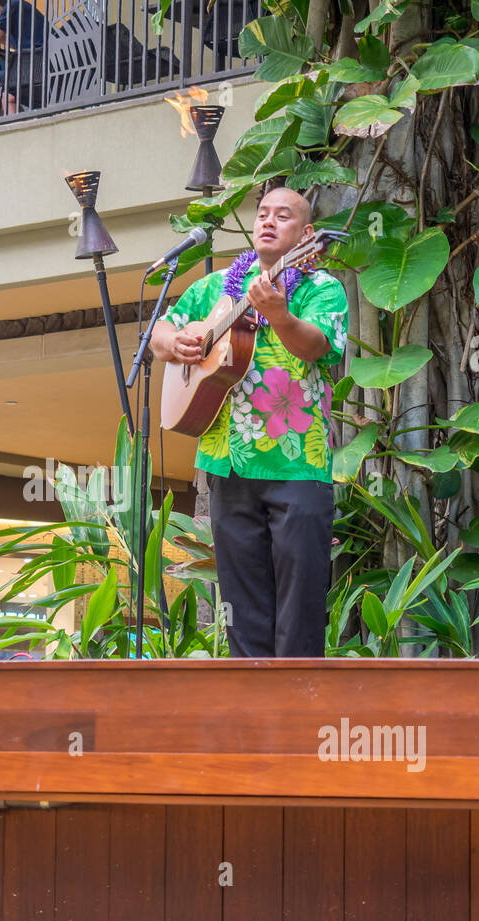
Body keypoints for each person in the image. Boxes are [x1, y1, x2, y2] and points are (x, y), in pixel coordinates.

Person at [149, 184, 349, 658]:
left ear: (307, 233)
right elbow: (160, 329)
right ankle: (254, 718)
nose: (268, 221)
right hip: (227, 465)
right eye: (263, 213)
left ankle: (298, 715)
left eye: (283, 215)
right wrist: (171, 344)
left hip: (296, 466)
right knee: (241, 605)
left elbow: (318, 346)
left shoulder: (322, 287)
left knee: (299, 605)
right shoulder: (214, 288)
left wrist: (279, 316)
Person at [0, 0, 48, 117]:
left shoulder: (11, 6)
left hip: (34, 64)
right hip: (42, 63)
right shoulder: (19, 7)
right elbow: (13, 43)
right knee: (8, 97)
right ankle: (19, 128)